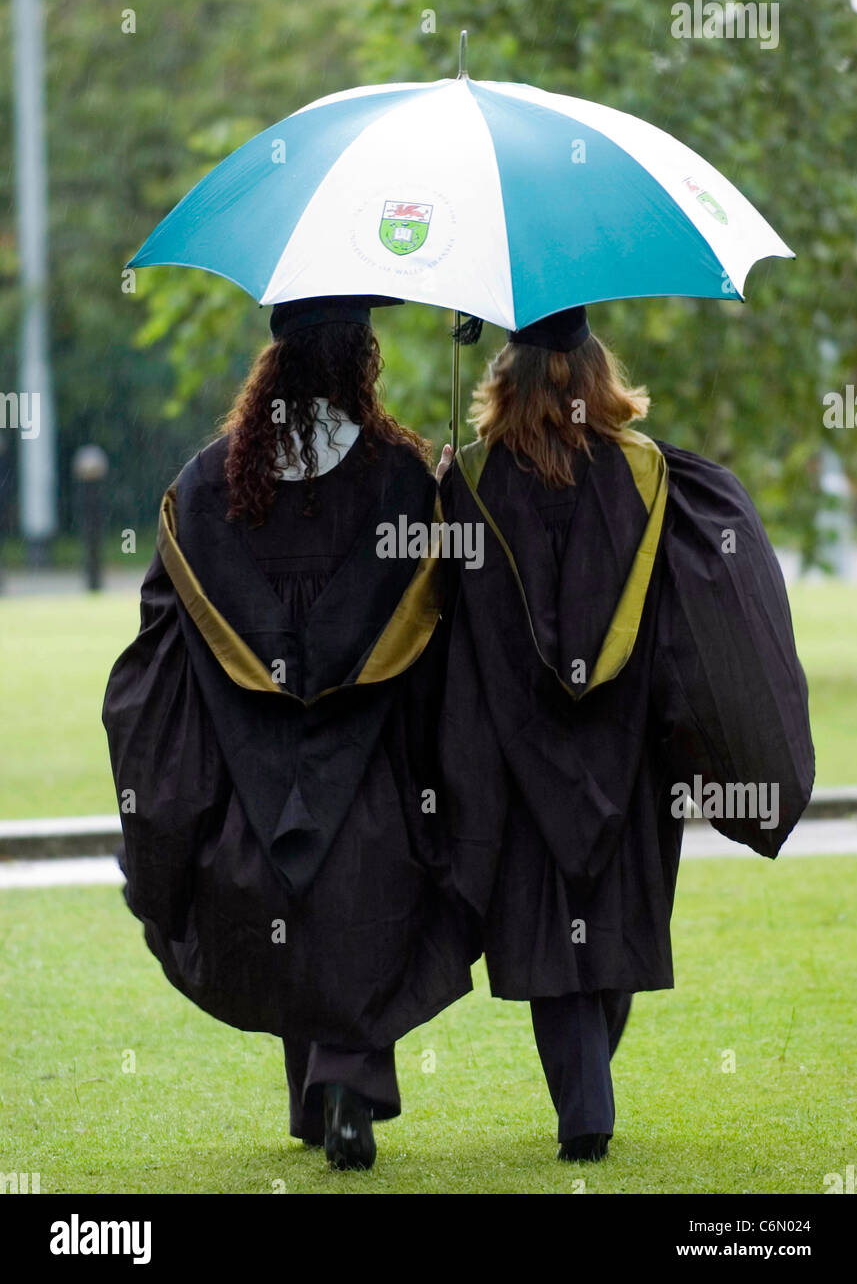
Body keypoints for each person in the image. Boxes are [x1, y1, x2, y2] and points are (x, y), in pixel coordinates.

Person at [103, 296, 476, 1171]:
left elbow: (162, 646)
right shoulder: (399, 477)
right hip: (376, 768)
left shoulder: (204, 485)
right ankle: (344, 1086)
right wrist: (451, 498)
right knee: (363, 908)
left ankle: (320, 1098)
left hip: (247, 770)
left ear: (271, 365)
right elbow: (443, 627)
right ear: (360, 362)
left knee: (287, 914)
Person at [437, 304, 815, 1162]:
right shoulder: (653, 475)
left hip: (519, 753)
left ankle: (584, 1093)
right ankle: (588, 1098)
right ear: (599, 378)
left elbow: (454, 633)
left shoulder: (470, 482)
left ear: (504, 381)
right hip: (629, 749)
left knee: (546, 930)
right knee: (614, 920)